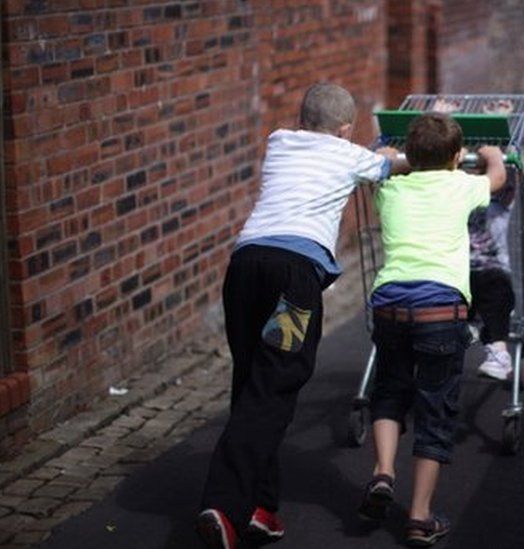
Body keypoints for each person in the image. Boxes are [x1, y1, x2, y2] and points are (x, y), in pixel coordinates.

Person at [196, 83, 405, 549]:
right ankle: (224, 506)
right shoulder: (351, 156)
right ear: (346, 130)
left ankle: (261, 508)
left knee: (252, 382)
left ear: (301, 118)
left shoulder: (279, 140)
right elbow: (393, 164)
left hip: (245, 269)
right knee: (274, 388)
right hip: (293, 278)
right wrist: (394, 154)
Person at [357, 113, 506, 547]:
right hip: (440, 309)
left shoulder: (391, 189)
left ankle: (383, 472)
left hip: (389, 305)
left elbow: (386, 165)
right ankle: (420, 518)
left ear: (411, 154)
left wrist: (392, 159)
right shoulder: (461, 185)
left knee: (389, 391)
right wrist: (492, 156)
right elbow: (496, 178)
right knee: (436, 409)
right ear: (457, 157)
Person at [468, 171, 517, 380]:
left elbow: (507, 178)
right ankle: (468, 326)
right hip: (457, 271)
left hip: (491, 270)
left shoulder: (498, 202)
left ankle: (498, 352)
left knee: (496, 287)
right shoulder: (451, 195)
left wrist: (495, 156)